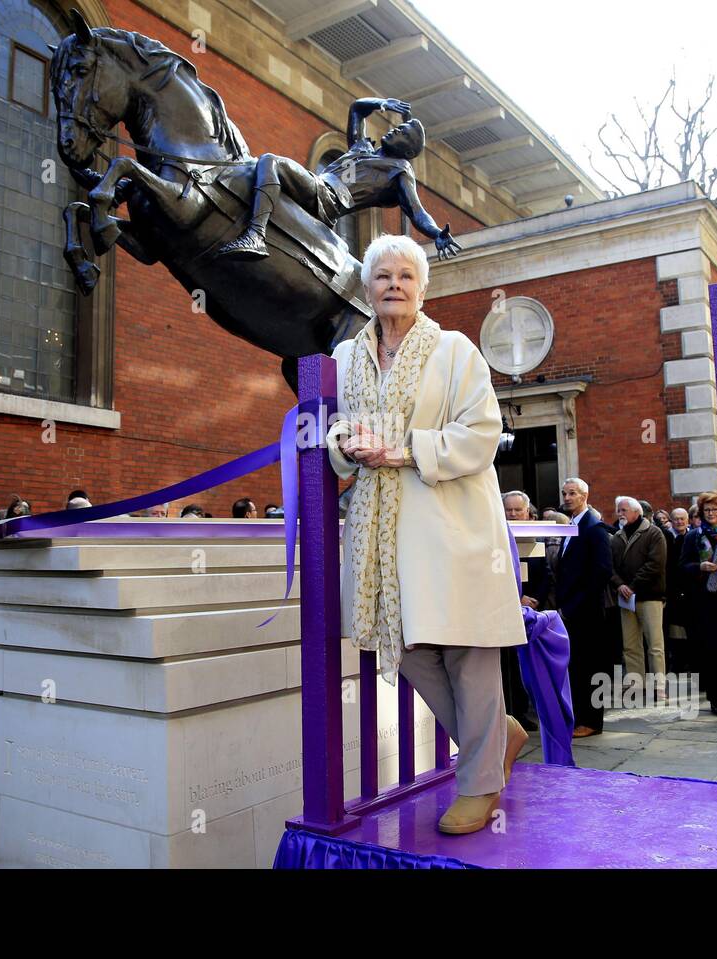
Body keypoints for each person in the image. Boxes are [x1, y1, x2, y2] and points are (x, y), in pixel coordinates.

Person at [326, 233, 525, 835]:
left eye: (405, 276)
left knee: (467, 650)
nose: (394, 285)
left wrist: (405, 449)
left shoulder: (456, 350)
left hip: (451, 524)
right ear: (367, 288)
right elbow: (332, 435)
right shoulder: (342, 357)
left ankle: (481, 784)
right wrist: (347, 449)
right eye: (382, 276)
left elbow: (482, 433)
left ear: (422, 287)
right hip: (380, 536)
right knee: (406, 645)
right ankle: (496, 739)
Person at [217, 98, 462, 262]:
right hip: (316, 185)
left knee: (270, 161)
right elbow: (357, 109)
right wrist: (382, 103)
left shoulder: (400, 169)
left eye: (404, 133)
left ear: (408, 151)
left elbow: (417, 212)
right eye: (400, 128)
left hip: (328, 200)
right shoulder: (360, 147)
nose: (396, 130)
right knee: (252, 170)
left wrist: (436, 233)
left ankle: (256, 235)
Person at [552, 477, 613, 737]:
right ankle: (579, 718)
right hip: (572, 611)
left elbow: (602, 572)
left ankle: (591, 722)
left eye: (573, 493)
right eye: (565, 493)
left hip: (587, 612)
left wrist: (573, 606)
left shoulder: (594, 528)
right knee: (576, 667)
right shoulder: (572, 525)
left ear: (584, 496)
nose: (567, 498)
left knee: (590, 667)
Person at [681, 492, 717, 716]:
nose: (711, 514)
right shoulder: (693, 537)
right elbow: (682, 566)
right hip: (706, 601)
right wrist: (699, 567)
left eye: (715, 510)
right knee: (712, 652)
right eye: (707, 510)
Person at [610, 496, 667, 700]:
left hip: (649, 595)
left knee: (655, 644)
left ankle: (659, 687)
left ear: (637, 512)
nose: (620, 514)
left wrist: (631, 586)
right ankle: (635, 684)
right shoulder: (617, 537)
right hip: (626, 597)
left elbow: (655, 564)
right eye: (618, 510)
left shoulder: (653, 533)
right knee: (630, 644)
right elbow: (611, 567)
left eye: (624, 510)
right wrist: (620, 585)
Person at [501, 490, 548, 730]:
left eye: (517, 510)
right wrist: (516, 598)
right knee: (506, 667)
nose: (512, 514)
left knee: (528, 666)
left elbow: (545, 574)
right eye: (508, 509)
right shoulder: (496, 539)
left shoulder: (536, 539)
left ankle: (525, 712)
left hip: (531, 613)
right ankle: (509, 713)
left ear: (527, 512)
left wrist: (535, 599)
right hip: (504, 611)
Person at [664, 507, 693, 672]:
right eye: (676, 519)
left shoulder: (693, 537)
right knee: (675, 630)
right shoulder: (667, 537)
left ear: (687, 520)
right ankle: (678, 664)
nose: (680, 522)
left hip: (690, 590)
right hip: (673, 590)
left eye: (682, 519)